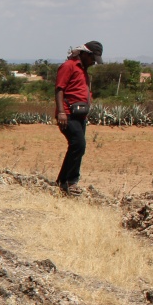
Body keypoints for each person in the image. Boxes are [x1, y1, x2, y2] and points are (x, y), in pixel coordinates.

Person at [54, 40, 102, 195]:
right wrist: (61, 112)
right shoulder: (69, 66)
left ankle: (62, 182)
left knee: (76, 147)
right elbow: (59, 89)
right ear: (84, 54)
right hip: (68, 114)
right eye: (92, 58)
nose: (94, 61)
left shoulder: (84, 70)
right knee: (79, 144)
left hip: (80, 115)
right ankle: (70, 181)